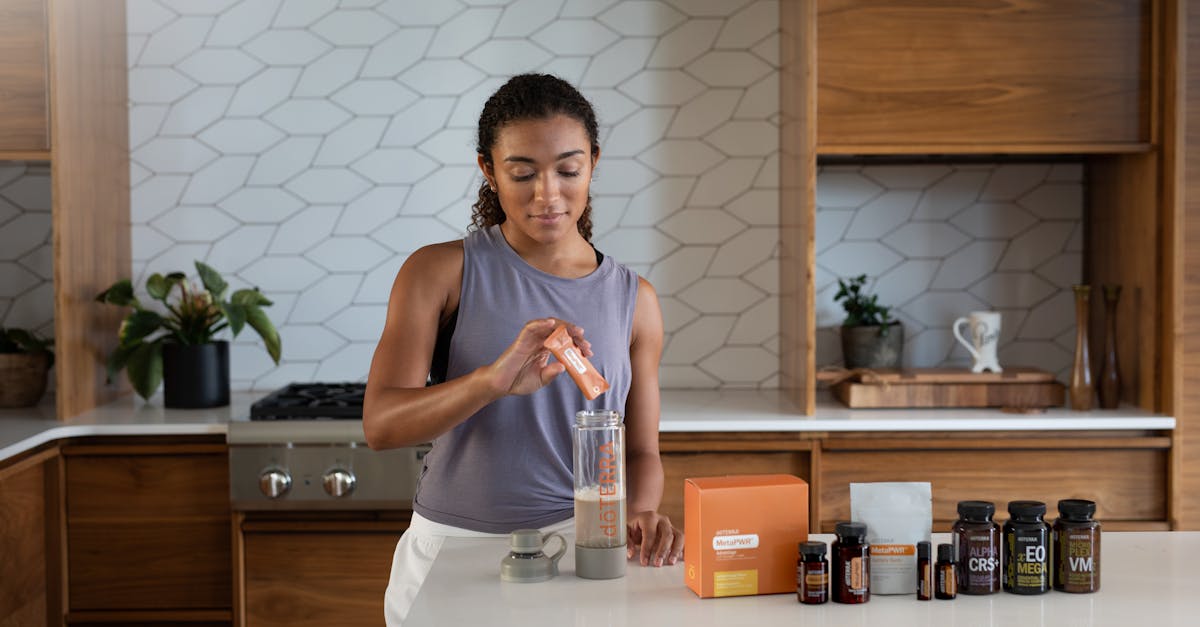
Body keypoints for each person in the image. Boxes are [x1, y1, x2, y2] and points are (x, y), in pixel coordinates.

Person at [363, 73, 683, 624]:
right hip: (455, 548)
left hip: (581, 551)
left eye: (568, 169)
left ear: (594, 162)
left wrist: (644, 512)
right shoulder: (438, 272)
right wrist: (492, 380)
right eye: (522, 173)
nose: (548, 195)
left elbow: (641, 453)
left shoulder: (637, 300)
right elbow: (382, 425)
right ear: (489, 169)